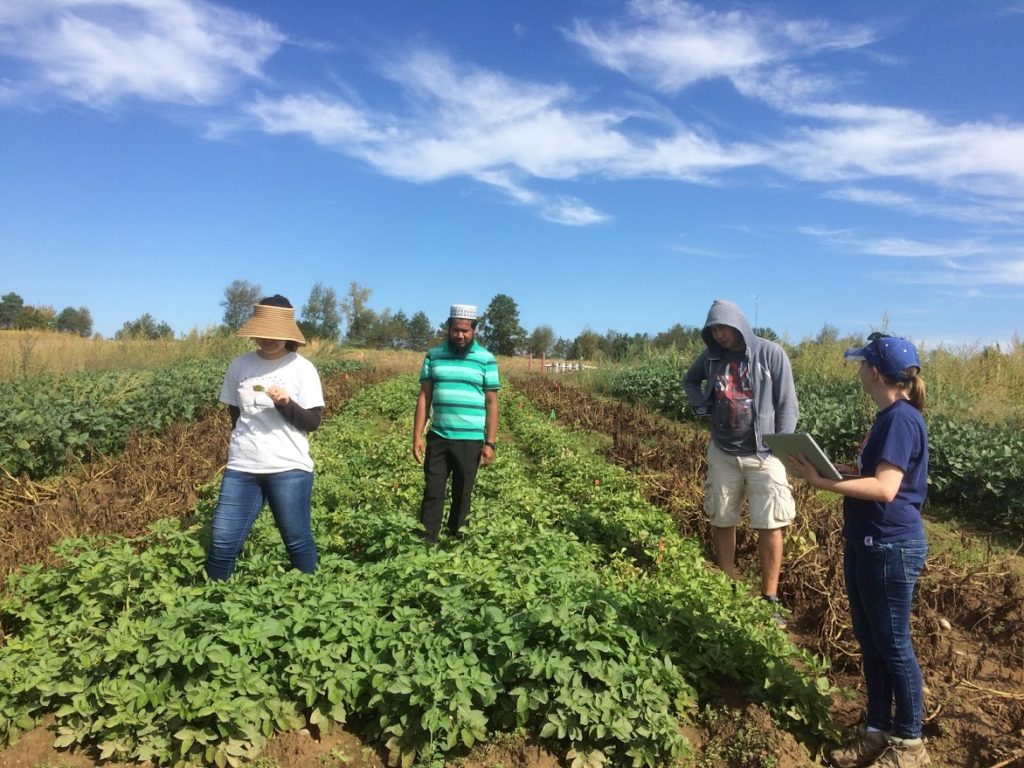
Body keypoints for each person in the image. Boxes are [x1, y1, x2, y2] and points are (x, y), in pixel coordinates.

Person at [787, 334, 930, 768]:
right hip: (868, 541)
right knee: (872, 642)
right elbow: (879, 475)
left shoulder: (900, 419)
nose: (859, 372)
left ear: (875, 371)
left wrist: (825, 482)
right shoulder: (889, 416)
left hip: (889, 545)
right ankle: (876, 730)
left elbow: (886, 489)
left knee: (894, 644)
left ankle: (910, 745)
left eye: (862, 364)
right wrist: (841, 471)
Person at [682, 299, 798, 625]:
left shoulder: (770, 353)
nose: (720, 334)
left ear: (739, 324)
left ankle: (769, 596)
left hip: (764, 453)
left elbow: (787, 404)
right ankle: (727, 583)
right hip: (723, 451)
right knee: (722, 517)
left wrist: (782, 446)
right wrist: (701, 405)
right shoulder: (711, 357)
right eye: (714, 329)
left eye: (724, 328)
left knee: (770, 523)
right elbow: (689, 381)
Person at [204, 295, 325, 581]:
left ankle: (308, 596)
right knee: (222, 542)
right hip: (242, 467)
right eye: (263, 332)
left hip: (289, 466)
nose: (268, 339)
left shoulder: (302, 368)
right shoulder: (240, 366)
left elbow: (312, 422)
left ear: (288, 334)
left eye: (275, 333)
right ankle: (211, 601)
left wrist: (286, 404)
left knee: (296, 540)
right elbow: (237, 416)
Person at [412, 303, 500, 543]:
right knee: (433, 490)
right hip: (439, 436)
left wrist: (490, 443)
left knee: (463, 493)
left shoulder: (485, 359)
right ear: (448, 328)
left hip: (470, 439)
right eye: (456, 330)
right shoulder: (434, 356)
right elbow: (424, 396)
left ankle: (456, 539)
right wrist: (417, 436)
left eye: (465, 331)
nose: (460, 335)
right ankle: (427, 539)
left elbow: (492, 402)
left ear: (474, 330)